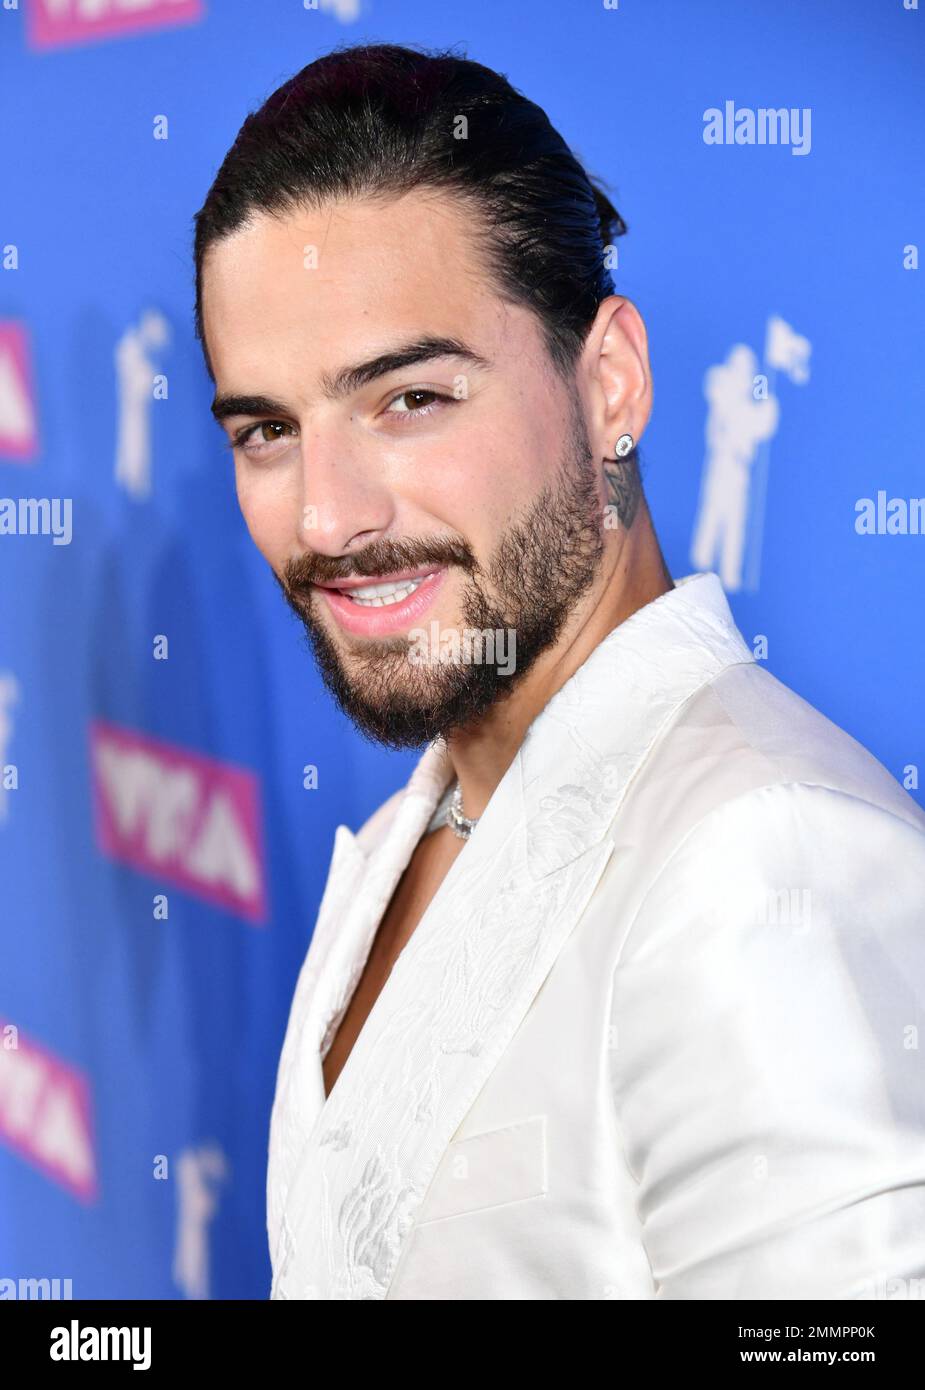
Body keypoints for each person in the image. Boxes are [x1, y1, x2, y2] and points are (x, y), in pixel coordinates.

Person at [192, 42, 925, 1300]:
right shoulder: (407, 837)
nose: (326, 517)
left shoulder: (762, 858)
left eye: (410, 399)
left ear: (610, 384)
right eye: (268, 429)